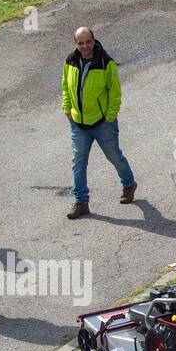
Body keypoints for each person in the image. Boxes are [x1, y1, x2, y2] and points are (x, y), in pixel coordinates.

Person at [61, 26, 135, 219]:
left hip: (103, 124)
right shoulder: (70, 61)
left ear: (94, 40)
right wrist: (67, 109)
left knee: (114, 157)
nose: (85, 46)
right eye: (80, 43)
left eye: (88, 41)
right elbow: (65, 87)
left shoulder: (105, 63)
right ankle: (81, 201)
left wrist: (109, 116)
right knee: (78, 163)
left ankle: (128, 183)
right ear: (75, 44)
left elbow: (115, 92)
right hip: (78, 124)